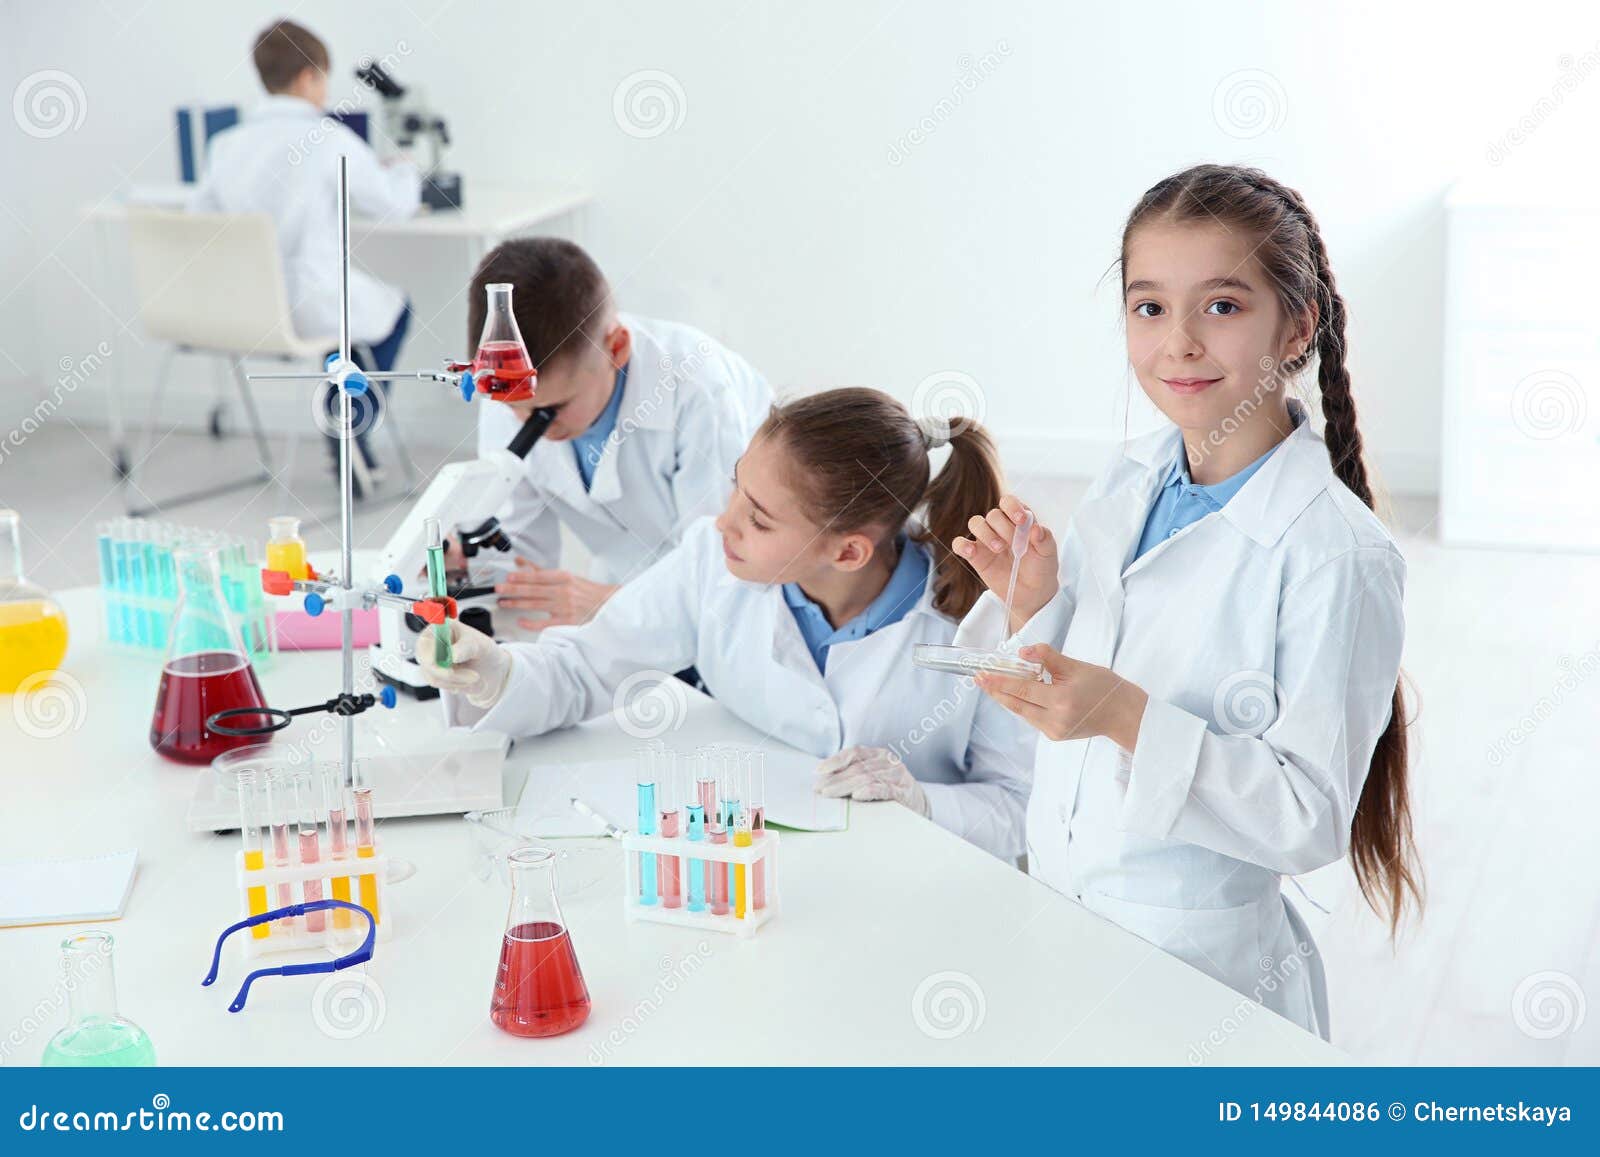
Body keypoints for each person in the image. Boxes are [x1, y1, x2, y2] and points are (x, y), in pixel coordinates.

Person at [951, 164, 1420, 1037]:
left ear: (1298, 327)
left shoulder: (1338, 555)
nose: (1179, 344)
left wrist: (1131, 715)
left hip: (1196, 980)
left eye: (1224, 306)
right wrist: (1039, 607)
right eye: (1149, 307)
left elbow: (1308, 816)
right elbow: (1082, 695)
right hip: (1059, 920)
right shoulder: (1126, 485)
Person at [417, 388, 1032, 860]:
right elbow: (586, 666)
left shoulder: (983, 624)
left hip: (915, 880)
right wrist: (497, 673)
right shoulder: (710, 565)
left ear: (847, 552)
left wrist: (920, 801)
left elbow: (1020, 809)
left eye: (759, 520)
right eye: (738, 490)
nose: (722, 524)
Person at [461, 238, 770, 628]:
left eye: (548, 411)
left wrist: (613, 603)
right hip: (620, 589)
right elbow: (523, 549)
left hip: (737, 612)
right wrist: (477, 566)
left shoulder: (699, 390)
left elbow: (720, 570)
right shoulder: (514, 389)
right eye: (512, 409)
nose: (526, 425)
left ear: (617, 348)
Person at [189, 19, 420, 493]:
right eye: (324, 78)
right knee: (389, 311)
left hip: (242, 311)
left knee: (345, 325)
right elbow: (394, 207)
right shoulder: (329, 139)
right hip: (309, 309)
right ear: (308, 77)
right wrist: (408, 169)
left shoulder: (224, 145)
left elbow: (200, 222)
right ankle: (350, 431)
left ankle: (348, 436)